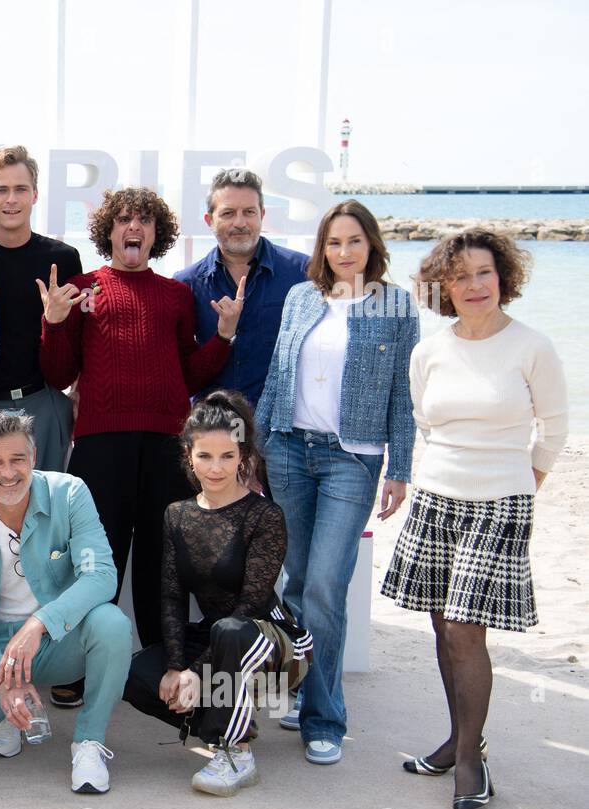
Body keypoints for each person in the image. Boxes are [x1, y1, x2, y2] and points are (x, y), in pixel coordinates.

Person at [383, 230, 567, 809]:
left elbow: (554, 431)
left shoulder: (532, 346)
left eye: (483, 273)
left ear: (502, 278)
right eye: (459, 276)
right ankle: (461, 737)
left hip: (501, 503)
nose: (473, 286)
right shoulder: (430, 351)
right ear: (444, 287)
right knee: (442, 627)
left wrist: (519, 485)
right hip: (436, 499)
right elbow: (426, 424)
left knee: (464, 628)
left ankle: (469, 760)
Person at [38, 186, 239, 708]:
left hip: (168, 444)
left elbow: (191, 371)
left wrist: (224, 335)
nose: (134, 227)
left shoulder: (174, 295)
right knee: (96, 555)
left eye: (145, 221)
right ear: (109, 231)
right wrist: (55, 322)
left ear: (157, 234)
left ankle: (160, 663)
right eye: (124, 219)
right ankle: (78, 663)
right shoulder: (83, 289)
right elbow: (59, 374)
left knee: (162, 558)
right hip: (101, 444)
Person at [254, 199, 418, 765]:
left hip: (353, 457)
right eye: (332, 242)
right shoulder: (301, 297)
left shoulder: (397, 305)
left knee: (325, 582)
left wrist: (400, 466)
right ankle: (303, 689)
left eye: (353, 241)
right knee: (297, 581)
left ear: (371, 244)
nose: (343, 252)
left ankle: (325, 718)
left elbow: (404, 393)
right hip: (290, 450)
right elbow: (278, 374)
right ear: (321, 248)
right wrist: (260, 445)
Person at [123, 392, 313, 796]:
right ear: (188, 455)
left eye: (228, 457)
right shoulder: (178, 514)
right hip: (219, 639)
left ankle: (235, 751)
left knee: (230, 629)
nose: (216, 468)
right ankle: (220, 728)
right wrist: (176, 666)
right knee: (137, 675)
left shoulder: (265, 515)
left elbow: (252, 605)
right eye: (205, 456)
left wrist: (196, 671)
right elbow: (172, 597)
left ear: (243, 457)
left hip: (274, 643)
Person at [0, 412, 131, 794]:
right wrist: (0, 677)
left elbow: (101, 576)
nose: (8, 473)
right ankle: (7, 713)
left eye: (17, 459)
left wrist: (38, 623)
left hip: (55, 637)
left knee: (112, 625)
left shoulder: (70, 493)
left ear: (34, 456)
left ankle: (89, 742)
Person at [0, 145, 82, 489]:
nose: (11, 199)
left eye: (20, 189)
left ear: (35, 194)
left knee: (46, 512)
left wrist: (77, 393)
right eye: (1, 189)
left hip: (43, 404)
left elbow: (83, 337)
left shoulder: (63, 258)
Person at [173, 167, 310, 405]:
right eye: (228, 213)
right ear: (209, 220)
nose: (240, 222)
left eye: (249, 212)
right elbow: (184, 373)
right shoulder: (187, 284)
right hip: (213, 429)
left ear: (262, 215)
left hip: (281, 432)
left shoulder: (302, 272)